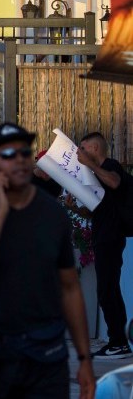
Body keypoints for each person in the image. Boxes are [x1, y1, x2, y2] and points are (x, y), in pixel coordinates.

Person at [0, 122, 95, 398]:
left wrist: (85, 358)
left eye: (24, 152)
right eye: (8, 154)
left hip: (44, 355)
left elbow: (70, 288)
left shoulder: (52, 215)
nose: (18, 159)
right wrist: (0, 212)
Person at [78, 131, 131, 357]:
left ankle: (118, 342)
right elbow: (97, 211)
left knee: (106, 290)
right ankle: (119, 341)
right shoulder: (96, 175)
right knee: (110, 290)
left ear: (95, 148)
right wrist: (74, 207)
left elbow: (115, 181)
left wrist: (89, 164)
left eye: (83, 147)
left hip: (111, 237)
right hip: (103, 236)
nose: (80, 152)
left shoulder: (110, 166)